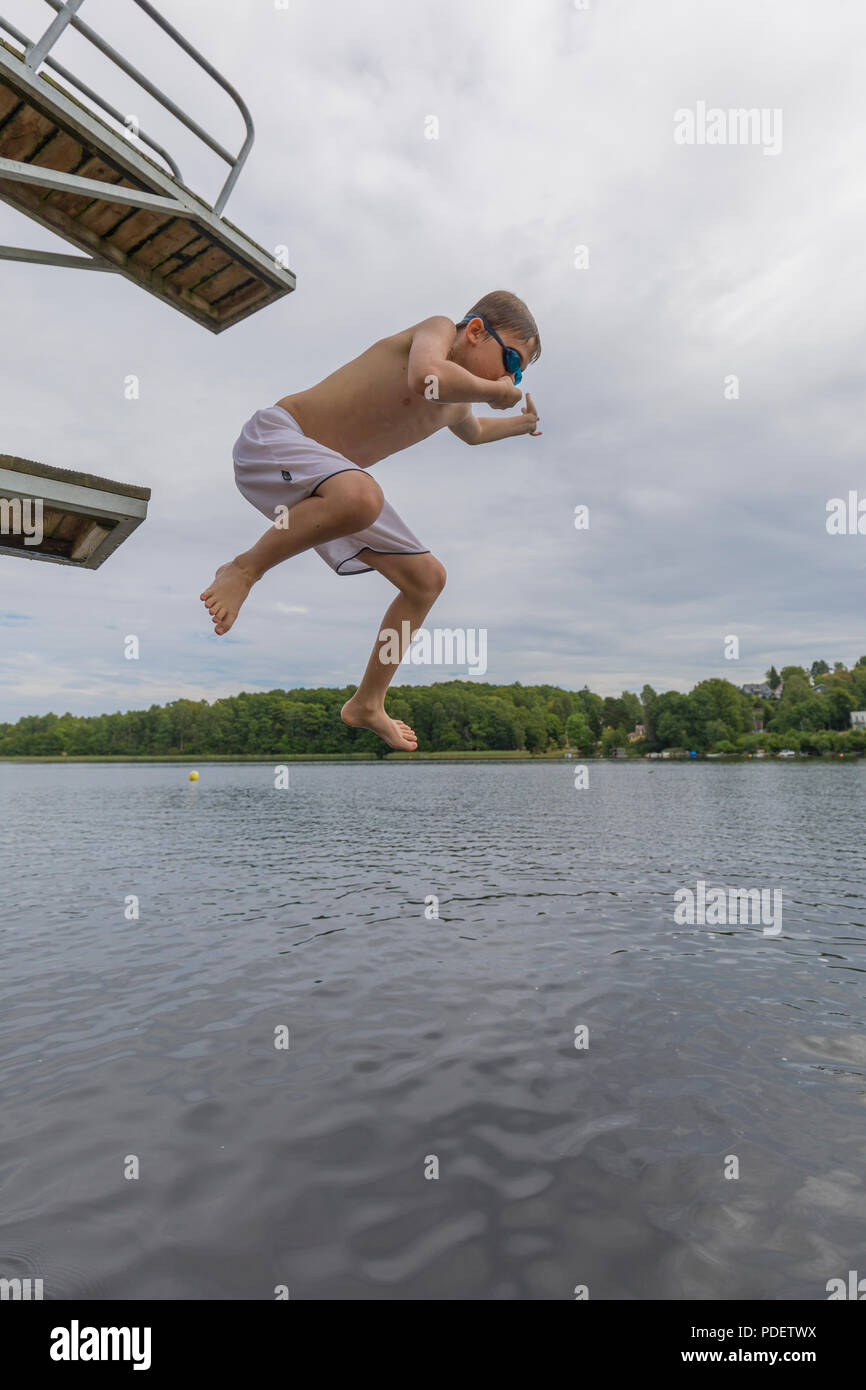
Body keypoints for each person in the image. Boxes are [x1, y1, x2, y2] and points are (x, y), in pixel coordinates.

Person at [201, 289, 542, 750]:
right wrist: (495, 390)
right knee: (363, 495)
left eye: (519, 373)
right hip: (277, 440)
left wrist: (520, 424)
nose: (511, 377)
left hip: (329, 483)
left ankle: (367, 702)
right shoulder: (438, 330)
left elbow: (476, 433)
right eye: (512, 362)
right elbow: (426, 378)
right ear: (477, 331)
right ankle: (243, 569)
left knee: (427, 579)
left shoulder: (458, 407)